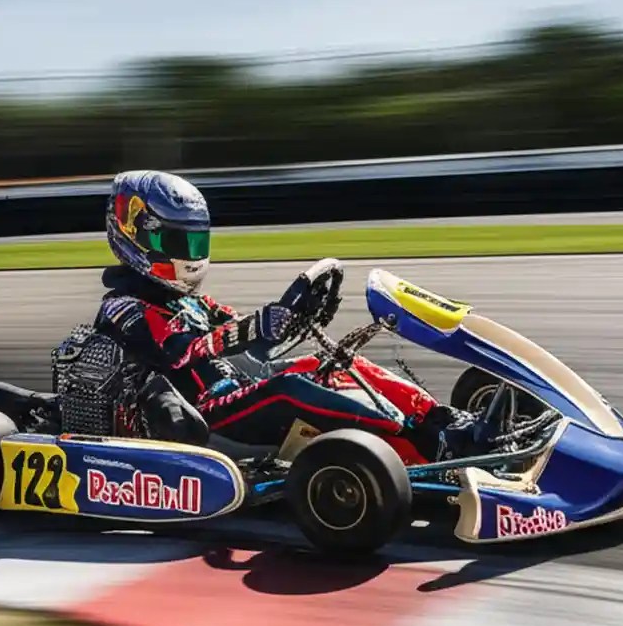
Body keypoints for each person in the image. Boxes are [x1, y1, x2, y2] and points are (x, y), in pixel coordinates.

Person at [93, 170, 484, 463]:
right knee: (288, 388)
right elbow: (179, 352)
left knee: (329, 365)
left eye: (195, 241)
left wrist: (290, 317)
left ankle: (442, 422)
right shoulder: (123, 308)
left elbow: (244, 332)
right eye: (175, 241)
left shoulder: (190, 302)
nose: (189, 253)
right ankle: (427, 445)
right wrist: (258, 326)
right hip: (203, 417)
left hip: (236, 391)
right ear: (134, 234)